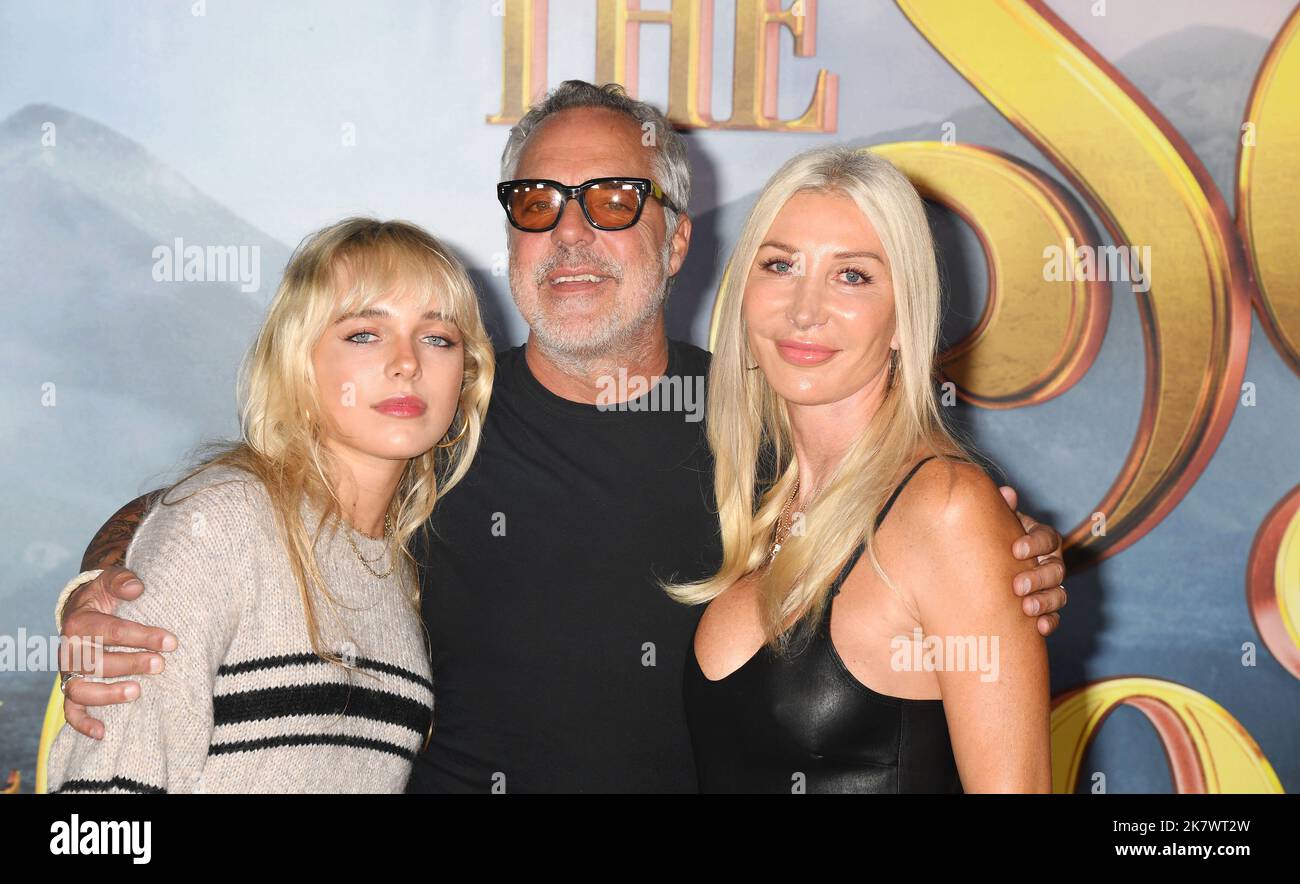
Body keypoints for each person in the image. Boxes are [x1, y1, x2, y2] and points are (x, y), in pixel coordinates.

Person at [54, 81, 1067, 794]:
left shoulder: (760, 425)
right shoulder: (435, 411)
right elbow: (245, 502)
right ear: (509, 239)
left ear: (674, 237)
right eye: (538, 202)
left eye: (612, 200)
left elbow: (913, 538)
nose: (570, 233)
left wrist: (1007, 559)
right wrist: (107, 587)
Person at [47, 218, 493, 792]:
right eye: (364, 333)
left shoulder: (396, 567)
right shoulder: (223, 520)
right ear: (299, 362)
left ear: (466, 374)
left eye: (438, 337)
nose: (407, 361)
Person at [670, 146, 1050, 792]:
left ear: (905, 317)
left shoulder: (947, 510)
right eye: (781, 265)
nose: (804, 308)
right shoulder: (767, 501)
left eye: (852, 276)